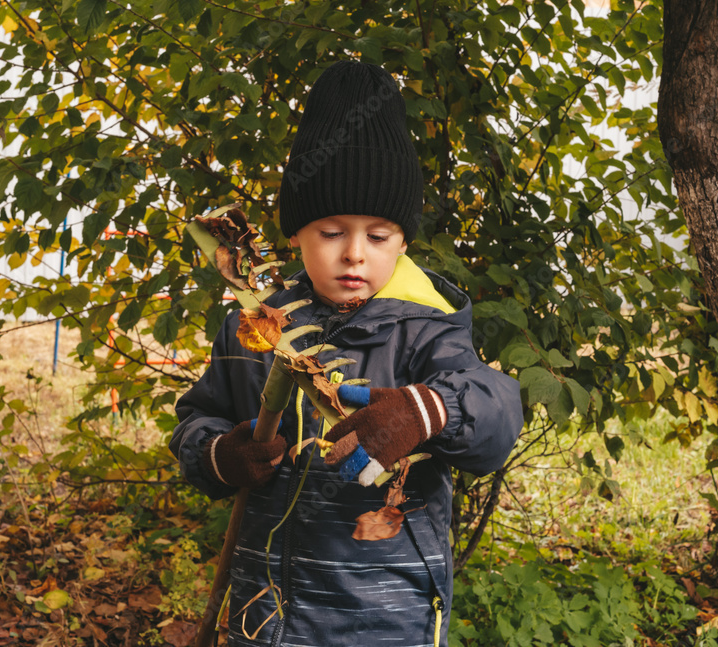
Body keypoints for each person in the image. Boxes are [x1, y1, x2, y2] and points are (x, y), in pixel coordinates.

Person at [170, 59, 523, 647]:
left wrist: (425, 411)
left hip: (382, 618)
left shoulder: (426, 330)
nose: (355, 254)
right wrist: (218, 455)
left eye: (378, 236)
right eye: (332, 232)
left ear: (404, 240)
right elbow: (198, 417)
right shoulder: (257, 328)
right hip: (263, 615)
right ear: (296, 234)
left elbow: (496, 410)